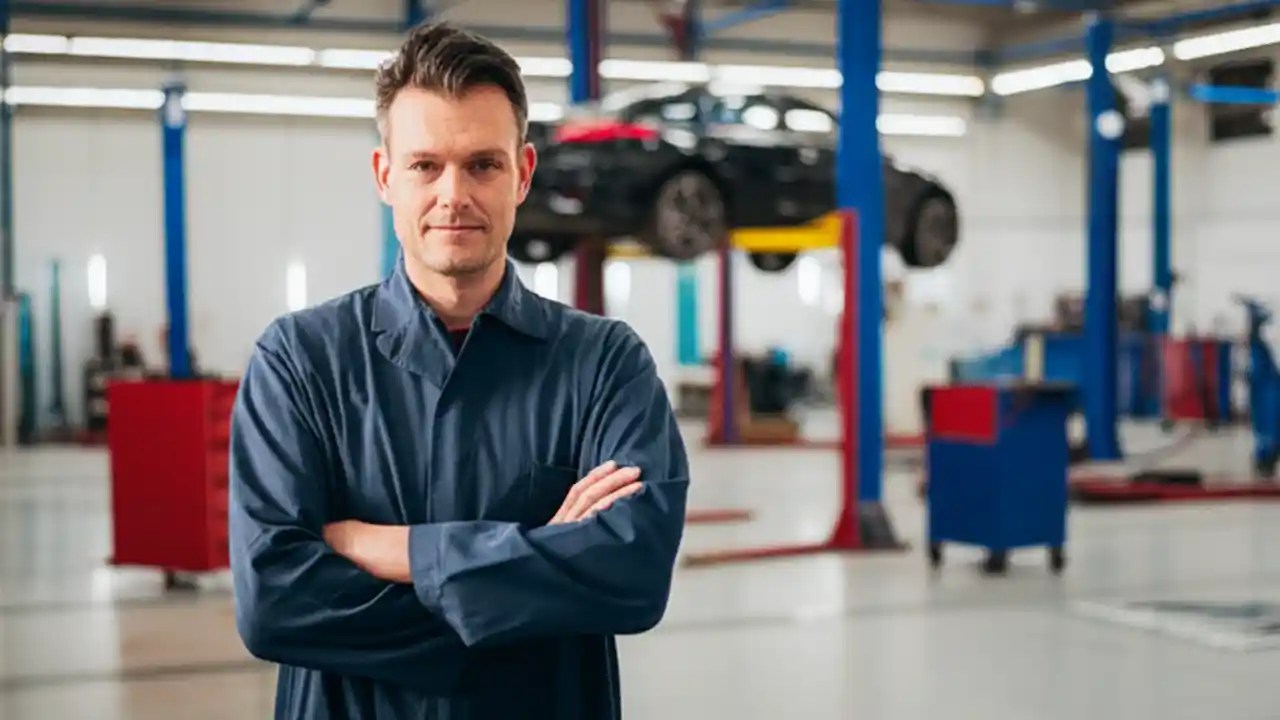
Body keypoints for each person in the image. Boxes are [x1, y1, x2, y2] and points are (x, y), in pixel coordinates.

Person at [228, 21, 691, 720]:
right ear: (385, 176)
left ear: (523, 174)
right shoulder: (299, 363)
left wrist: (392, 549)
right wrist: (533, 573)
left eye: (483, 164)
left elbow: (632, 576)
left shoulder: (603, 365)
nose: (454, 195)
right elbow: (274, 601)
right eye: (425, 166)